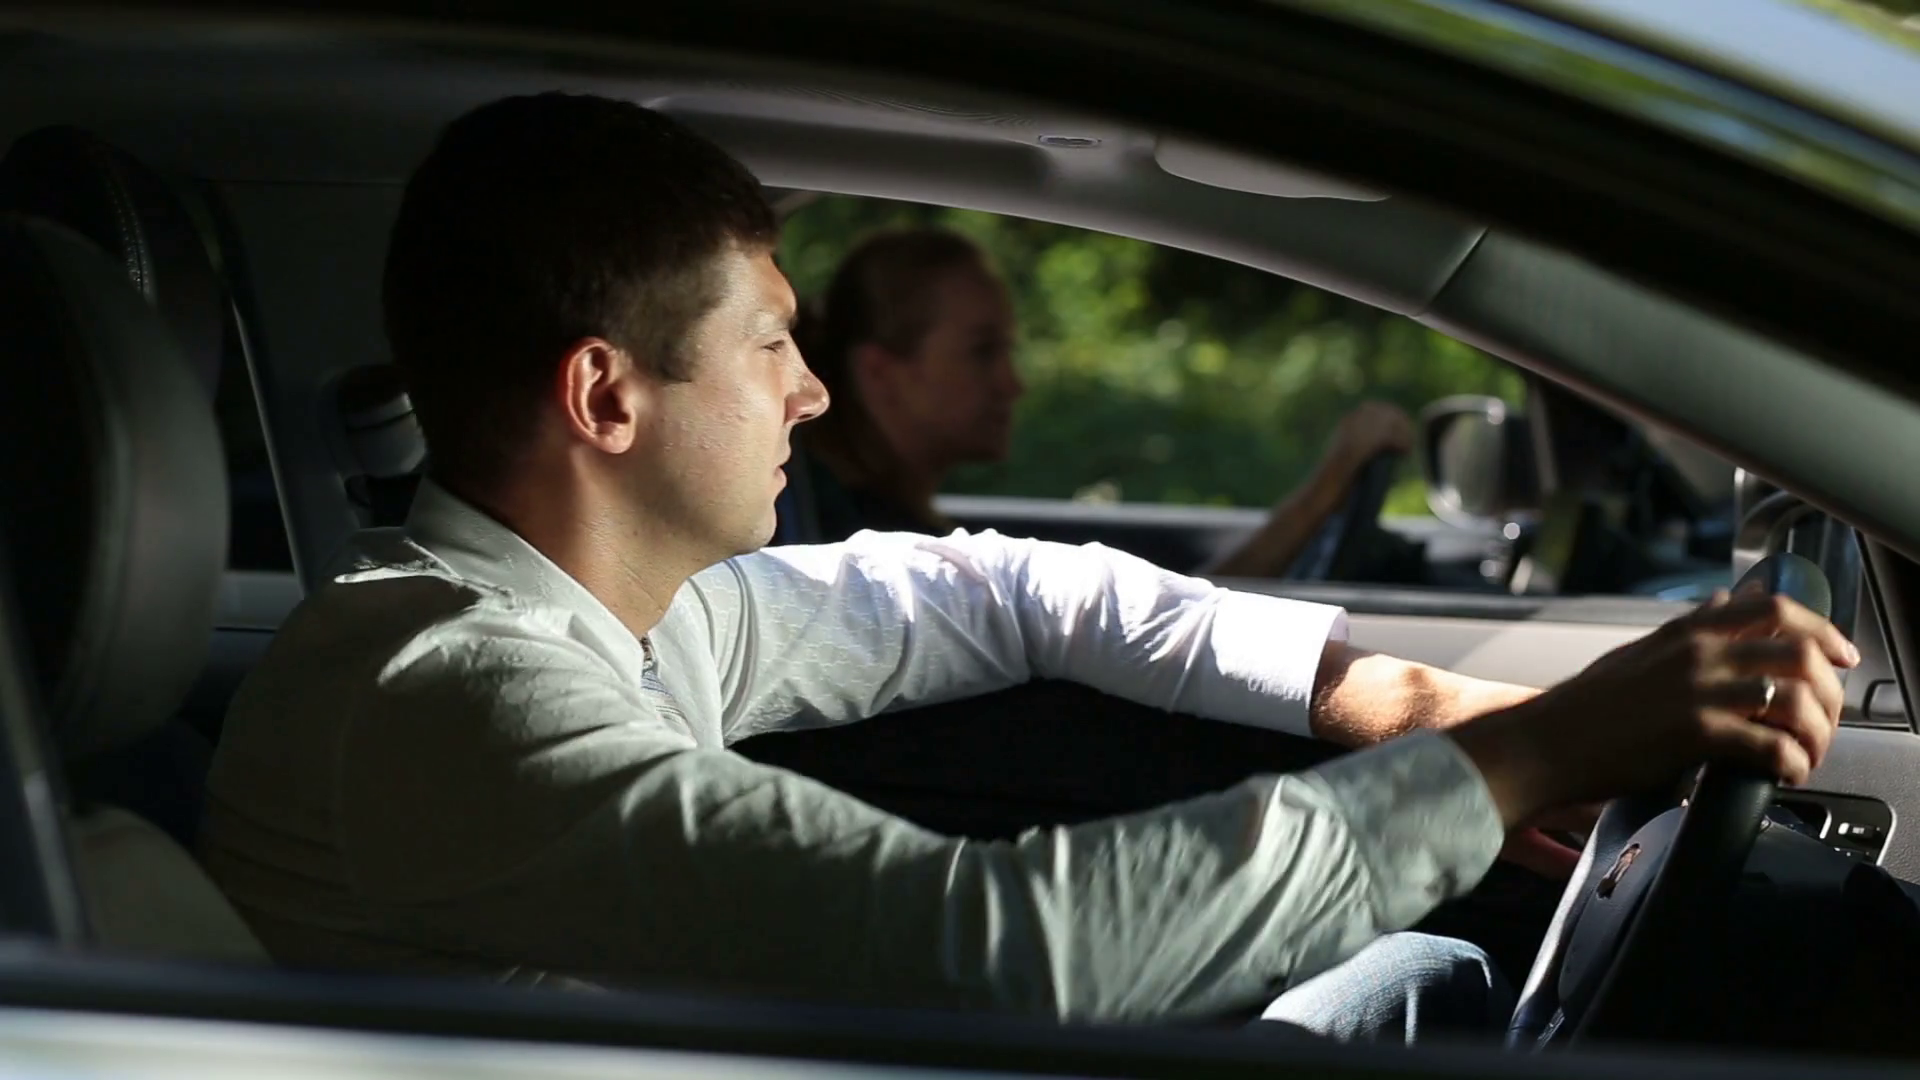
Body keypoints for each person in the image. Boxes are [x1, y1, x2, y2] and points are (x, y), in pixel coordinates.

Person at [199, 93, 1854, 1042]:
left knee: (1416, 986)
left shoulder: (635, 619)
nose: (812, 394)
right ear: (606, 398)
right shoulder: (449, 696)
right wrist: (1530, 756)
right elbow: (996, 947)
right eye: (770, 345)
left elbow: (1000, 594)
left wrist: (1388, 696)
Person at [792, 227, 1412, 577]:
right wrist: (1334, 476)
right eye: (983, 353)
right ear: (881, 373)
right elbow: (1168, 639)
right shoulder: (873, 553)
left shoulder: (861, 520)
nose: (1013, 384)